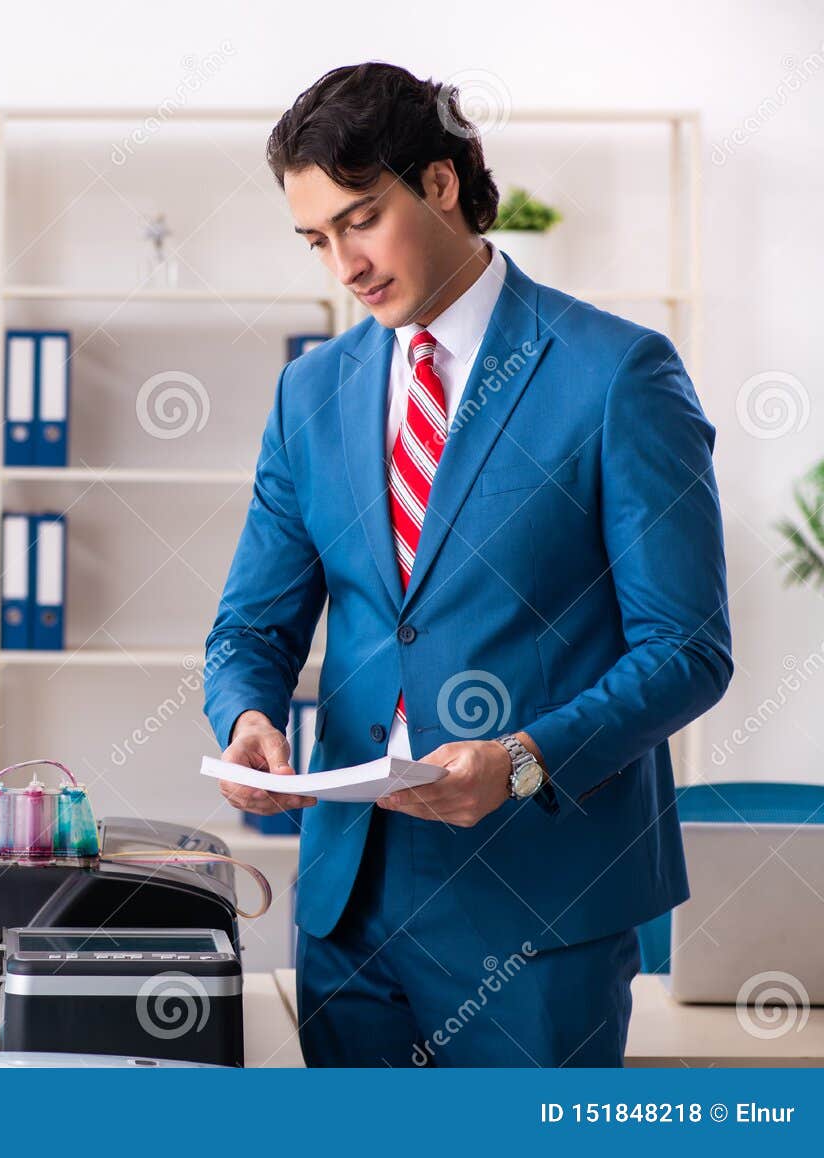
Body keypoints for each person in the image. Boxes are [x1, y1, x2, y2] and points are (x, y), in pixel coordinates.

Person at [203, 62, 732, 1067]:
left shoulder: (616, 373)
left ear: (439, 183)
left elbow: (686, 649)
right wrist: (246, 718)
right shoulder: (310, 393)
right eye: (316, 240)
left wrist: (523, 759)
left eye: (360, 220)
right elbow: (250, 628)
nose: (343, 266)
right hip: (347, 910)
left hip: (539, 905)